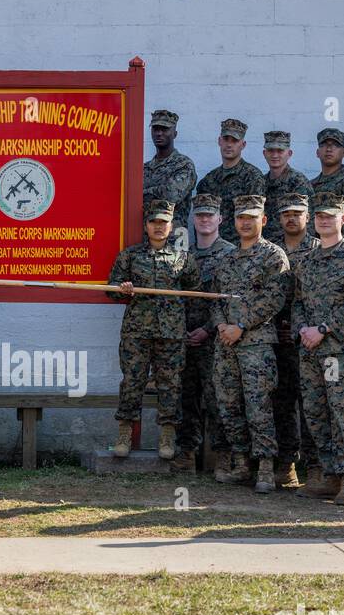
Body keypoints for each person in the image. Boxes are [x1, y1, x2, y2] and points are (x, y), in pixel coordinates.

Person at [291, 192, 344, 506]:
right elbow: (298, 302)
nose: (324, 220)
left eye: (331, 216)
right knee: (315, 413)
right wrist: (303, 330)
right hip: (310, 351)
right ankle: (328, 475)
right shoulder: (307, 260)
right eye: (320, 216)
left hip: (338, 352)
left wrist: (324, 330)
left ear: (343, 219)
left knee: (342, 412)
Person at [209, 194, 291, 490]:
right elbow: (215, 298)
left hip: (256, 343)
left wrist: (241, 326)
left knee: (259, 404)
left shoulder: (273, 256)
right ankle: (242, 463)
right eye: (241, 217)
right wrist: (221, 325)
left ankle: (266, 468)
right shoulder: (226, 259)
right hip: (225, 344)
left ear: (263, 221)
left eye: (251, 217)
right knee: (229, 404)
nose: (245, 222)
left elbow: (275, 298)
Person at [107, 199, 200, 460]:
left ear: (171, 226)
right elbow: (110, 290)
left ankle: (167, 436)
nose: (159, 227)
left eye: (164, 222)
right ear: (146, 225)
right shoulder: (131, 255)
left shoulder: (183, 258)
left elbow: (194, 294)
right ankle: (124, 434)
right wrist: (122, 288)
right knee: (132, 382)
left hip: (171, 334)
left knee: (170, 385)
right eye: (154, 222)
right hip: (137, 332)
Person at [174, 194, 235, 473]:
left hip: (216, 340)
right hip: (185, 337)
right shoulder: (183, 255)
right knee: (186, 397)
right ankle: (186, 453)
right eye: (200, 215)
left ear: (220, 219)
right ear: (193, 220)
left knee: (218, 397)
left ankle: (223, 454)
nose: (205, 220)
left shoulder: (231, 254)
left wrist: (208, 330)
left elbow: (230, 302)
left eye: (210, 215)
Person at [273, 193, 318, 488]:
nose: (291, 218)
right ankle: (287, 463)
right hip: (277, 336)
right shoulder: (271, 251)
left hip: (311, 338)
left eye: (297, 213)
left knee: (314, 403)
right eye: (286, 213)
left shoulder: (319, 249)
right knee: (282, 400)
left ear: (307, 216)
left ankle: (316, 467)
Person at [193, 118, 264, 245]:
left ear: (243, 144)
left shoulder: (253, 177)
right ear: (219, 141)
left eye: (235, 141)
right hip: (212, 250)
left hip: (240, 250)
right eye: (226, 139)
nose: (229, 145)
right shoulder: (208, 181)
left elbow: (255, 220)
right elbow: (199, 218)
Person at [142, 110, 197, 233]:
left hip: (174, 241)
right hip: (146, 240)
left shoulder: (184, 165)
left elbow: (170, 195)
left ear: (175, 134)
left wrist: (140, 194)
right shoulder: (144, 168)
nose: (159, 133)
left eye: (164, 129)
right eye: (155, 129)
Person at [261, 131, 312, 246]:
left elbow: (309, 221)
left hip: (292, 247)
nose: (275, 155)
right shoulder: (261, 182)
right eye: (270, 151)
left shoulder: (298, 182)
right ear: (264, 153)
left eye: (280, 151)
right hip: (264, 249)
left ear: (289, 153)